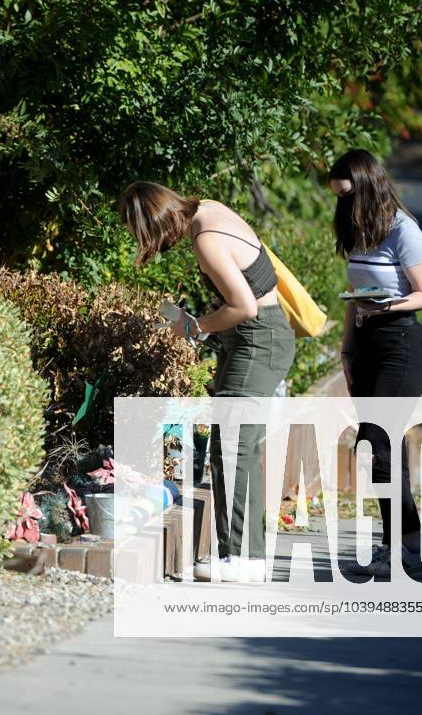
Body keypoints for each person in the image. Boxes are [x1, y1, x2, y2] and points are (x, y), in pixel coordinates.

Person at [120, 181, 294, 582]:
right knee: (239, 446)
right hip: (261, 338)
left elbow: (245, 306)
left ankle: (238, 558)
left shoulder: (206, 241)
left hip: (257, 341)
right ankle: (246, 556)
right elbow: (249, 282)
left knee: (231, 445)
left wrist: (196, 327)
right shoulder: (209, 209)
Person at [328, 149, 422, 577]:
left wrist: (386, 305)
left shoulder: (402, 230)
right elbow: (354, 302)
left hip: (402, 346)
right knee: (386, 448)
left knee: (372, 445)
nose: (344, 206)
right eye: (339, 198)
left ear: (369, 188)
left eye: (349, 196)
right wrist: (346, 353)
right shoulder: (360, 230)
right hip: (369, 345)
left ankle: (399, 544)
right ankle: (408, 546)